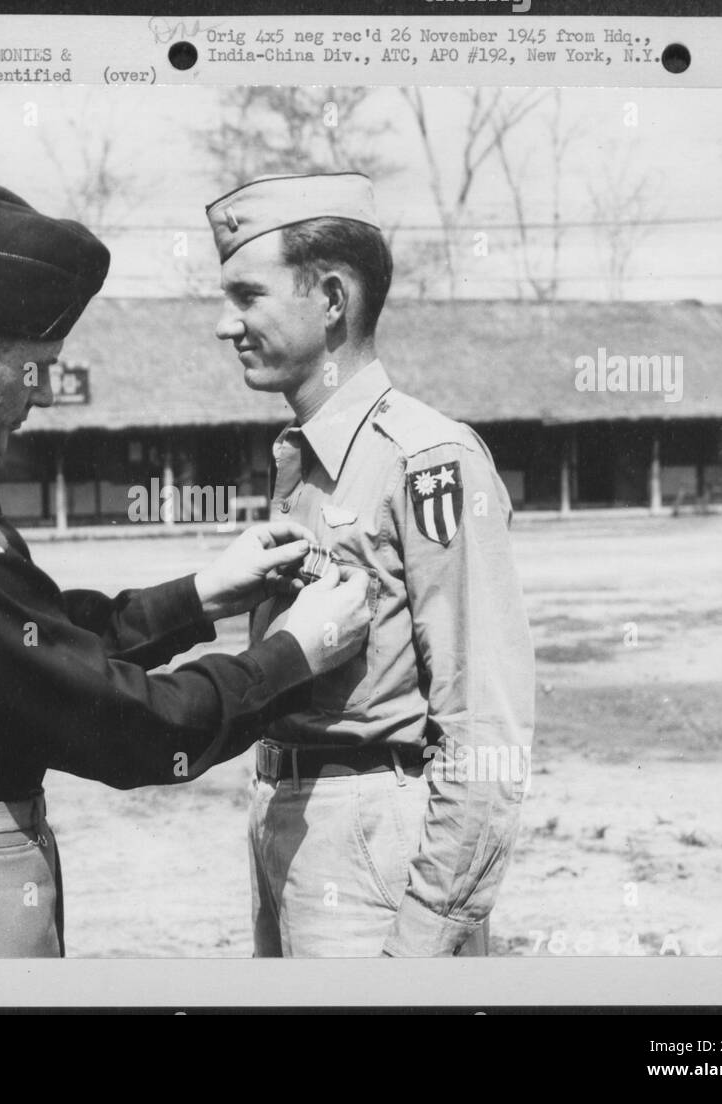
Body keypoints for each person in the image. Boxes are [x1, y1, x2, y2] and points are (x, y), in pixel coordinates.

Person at [0, 163, 370, 959]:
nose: (47, 396)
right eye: (36, 368)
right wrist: (294, 655)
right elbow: (125, 727)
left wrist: (200, 596)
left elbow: (27, 642)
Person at [205, 171, 535, 957]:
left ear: (330, 300)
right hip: (288, 812)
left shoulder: (428, 461)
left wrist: (429, 933)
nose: (227, 325)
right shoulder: (305, 460)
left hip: (375, 837)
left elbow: (485, 726)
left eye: (248, 296)